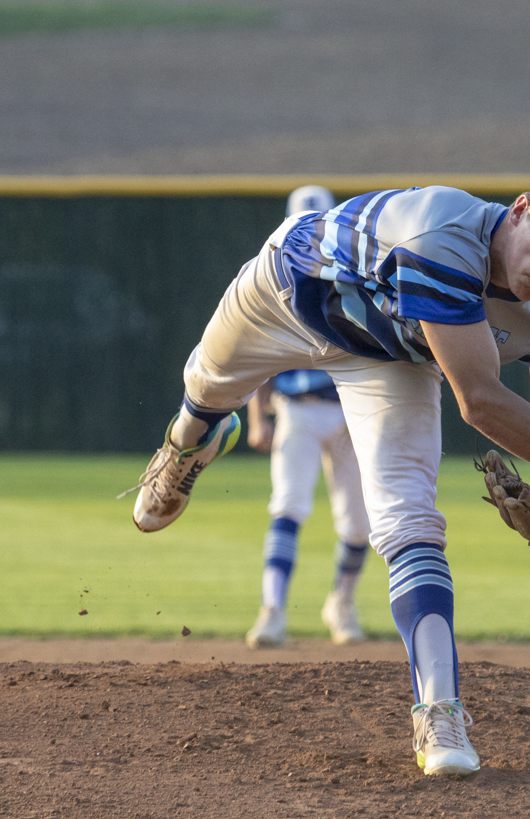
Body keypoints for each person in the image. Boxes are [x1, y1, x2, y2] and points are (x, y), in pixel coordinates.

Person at [124, 170, 530, 777]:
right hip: (287, 290)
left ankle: (440, 713)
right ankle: (186, 449)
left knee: (411, 519)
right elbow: (480, 402)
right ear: (521, 210)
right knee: (205, 388)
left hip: (384, 358)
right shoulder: (444, 238)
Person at [243, 185, 373, 649]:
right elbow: (257, 355)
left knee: (359, 524)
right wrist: (258, 417)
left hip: (350, 411)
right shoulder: (269, 278)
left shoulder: (356, 276)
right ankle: (272, 611)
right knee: (288, 506)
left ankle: (342, 602)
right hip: (296, 409)